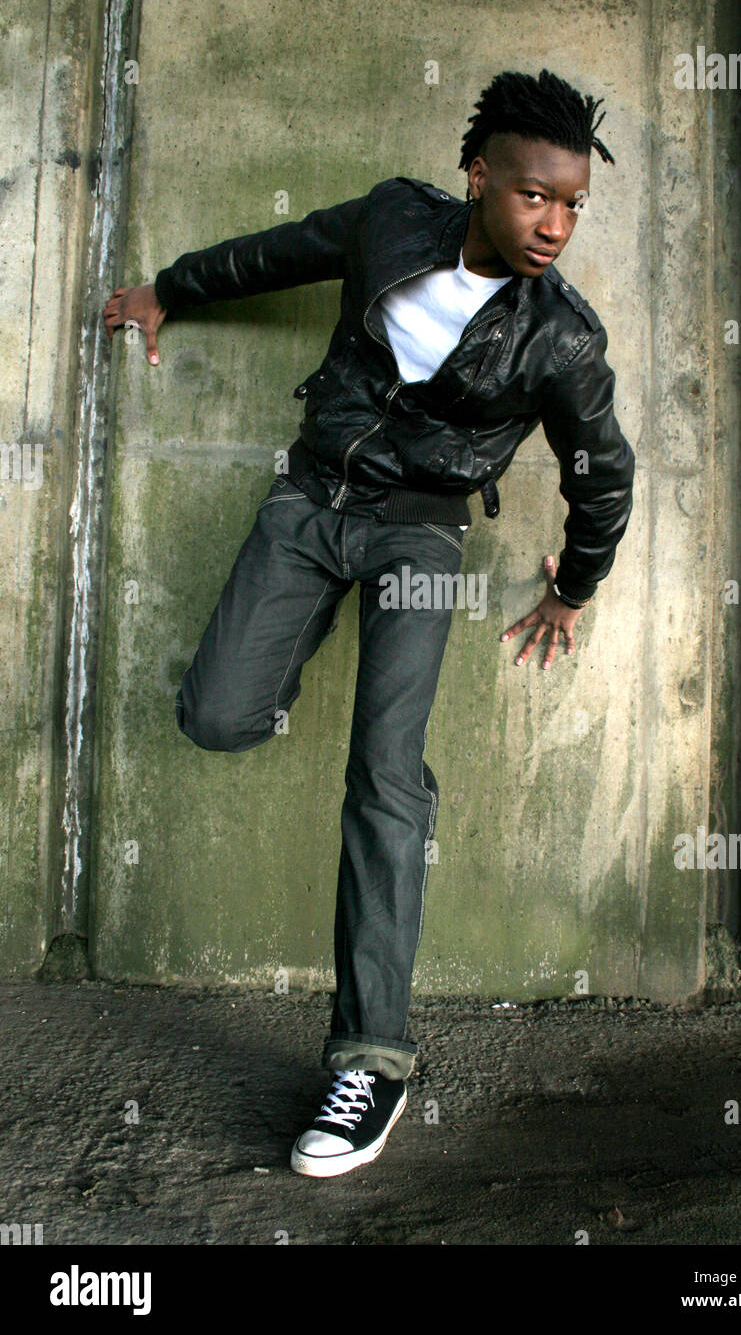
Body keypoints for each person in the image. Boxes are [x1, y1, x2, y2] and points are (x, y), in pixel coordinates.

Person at [101, 68, 635, 1178]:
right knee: (214, 715)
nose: (554, 223)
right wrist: (169, 288)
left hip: (421, 537)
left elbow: (602, 474)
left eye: (573, 204)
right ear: (477, 177)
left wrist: (573, 585)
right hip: (311, 500)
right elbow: (276, 252)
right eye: (536, 195)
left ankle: (373, 1061)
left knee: (385, 773)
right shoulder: (393, 218)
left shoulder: (560, 341)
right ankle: (281, 646)